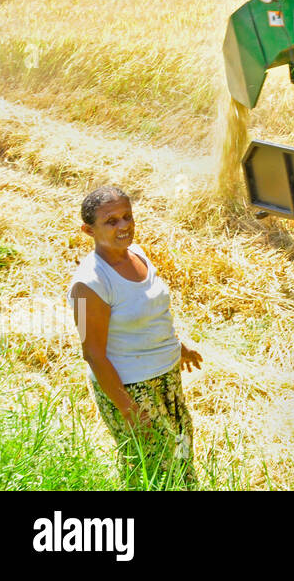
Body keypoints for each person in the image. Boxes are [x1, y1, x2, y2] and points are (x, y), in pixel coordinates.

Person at [68, 185, 202, 487]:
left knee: (181, 447)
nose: (124, 225)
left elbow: (148, 312)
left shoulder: (136, 254)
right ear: (88, 230)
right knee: (153, 467)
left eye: (127, 216)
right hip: (131, 386)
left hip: (165, 376)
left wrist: (178, 347)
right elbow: (93, 353)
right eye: (111, 221)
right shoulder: (90, 283)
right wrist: (128, 408)